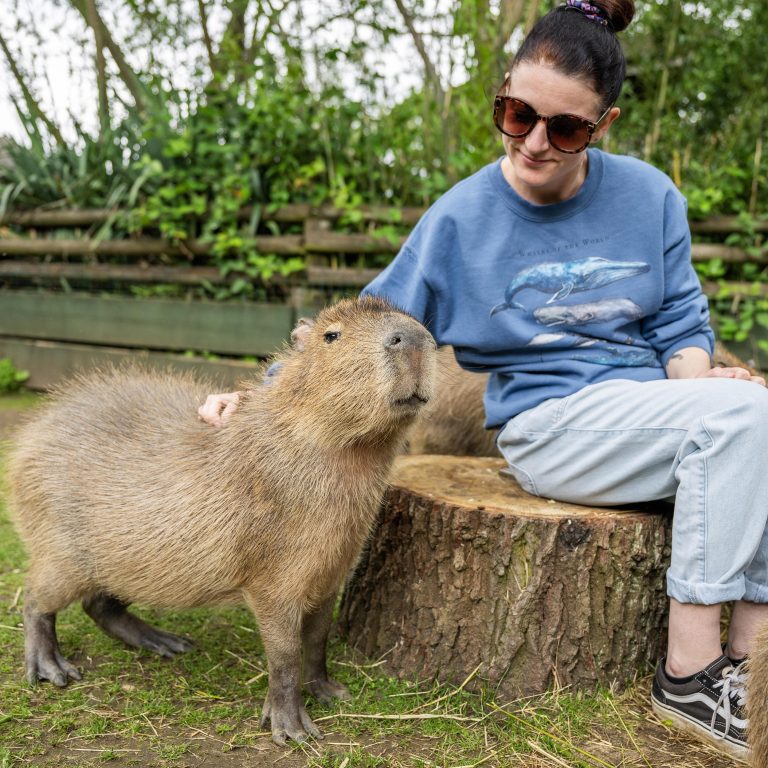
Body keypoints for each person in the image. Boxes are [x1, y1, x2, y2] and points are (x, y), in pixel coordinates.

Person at [198, 0, 767, 759]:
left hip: (648, 413)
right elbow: (353, 332)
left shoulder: (652, 196)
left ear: (604, 124)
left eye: (564, 128)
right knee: (741, 416)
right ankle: (692, 674)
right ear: (502, 95)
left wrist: (697, 393)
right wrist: (261, 391)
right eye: (517, 114)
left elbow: (680, 329)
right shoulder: (460, 220)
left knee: (747, 412)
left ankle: (754, 665)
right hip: (552, 426)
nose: (534, 140)